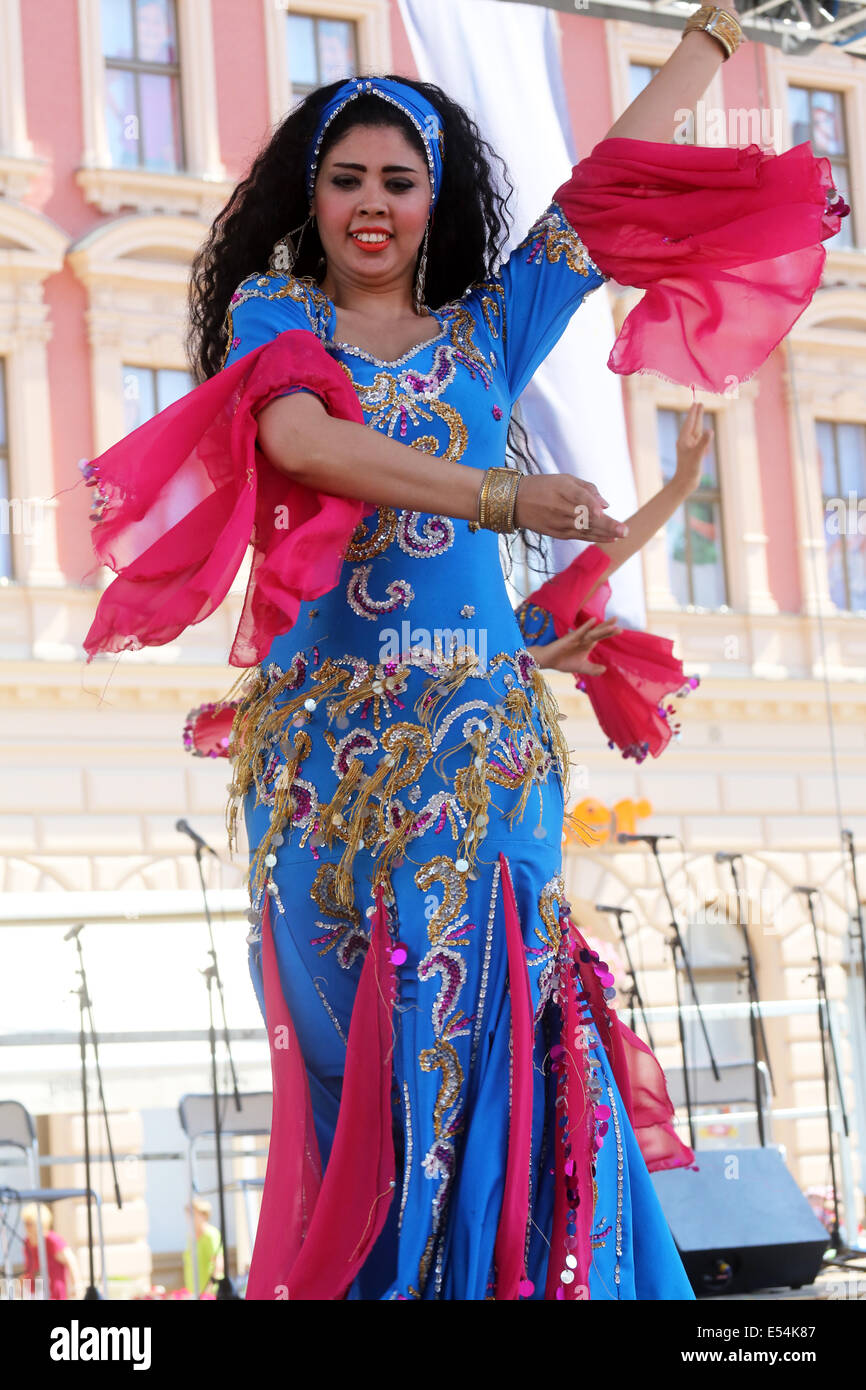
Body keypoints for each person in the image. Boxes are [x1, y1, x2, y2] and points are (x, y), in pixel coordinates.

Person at [81, 3, 846, 1300]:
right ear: (308, 197)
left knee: (478, 1053)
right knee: (351, 1083)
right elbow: (303, 447)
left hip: (478, 758)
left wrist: (712, 38)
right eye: (346, 179)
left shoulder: (492, 329)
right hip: (322, 766)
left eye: (399, 179)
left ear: (434, 198)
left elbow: (603, 193)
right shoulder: (280, 320)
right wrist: (496, 498)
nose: (372, 203)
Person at [20, 1203, 82, 1301]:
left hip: (54, 1293)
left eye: (30, 1223)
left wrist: (76, 1286)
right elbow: (28, 1268)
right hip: (34, 1293)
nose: (27, 1227)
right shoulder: (27, 1242)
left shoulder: (51, 1240)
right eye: (25, 1223)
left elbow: (71, 1262)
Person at [182, 1197, 224, 1296]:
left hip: (209, 1293)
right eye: (188, 1214)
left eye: (193, 1214)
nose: (189, 1218)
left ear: (204, 1215)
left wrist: (208, 1291)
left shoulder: (210, 1234)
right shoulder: (191, 1236)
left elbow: (218, 1264)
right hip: (194, 1292)